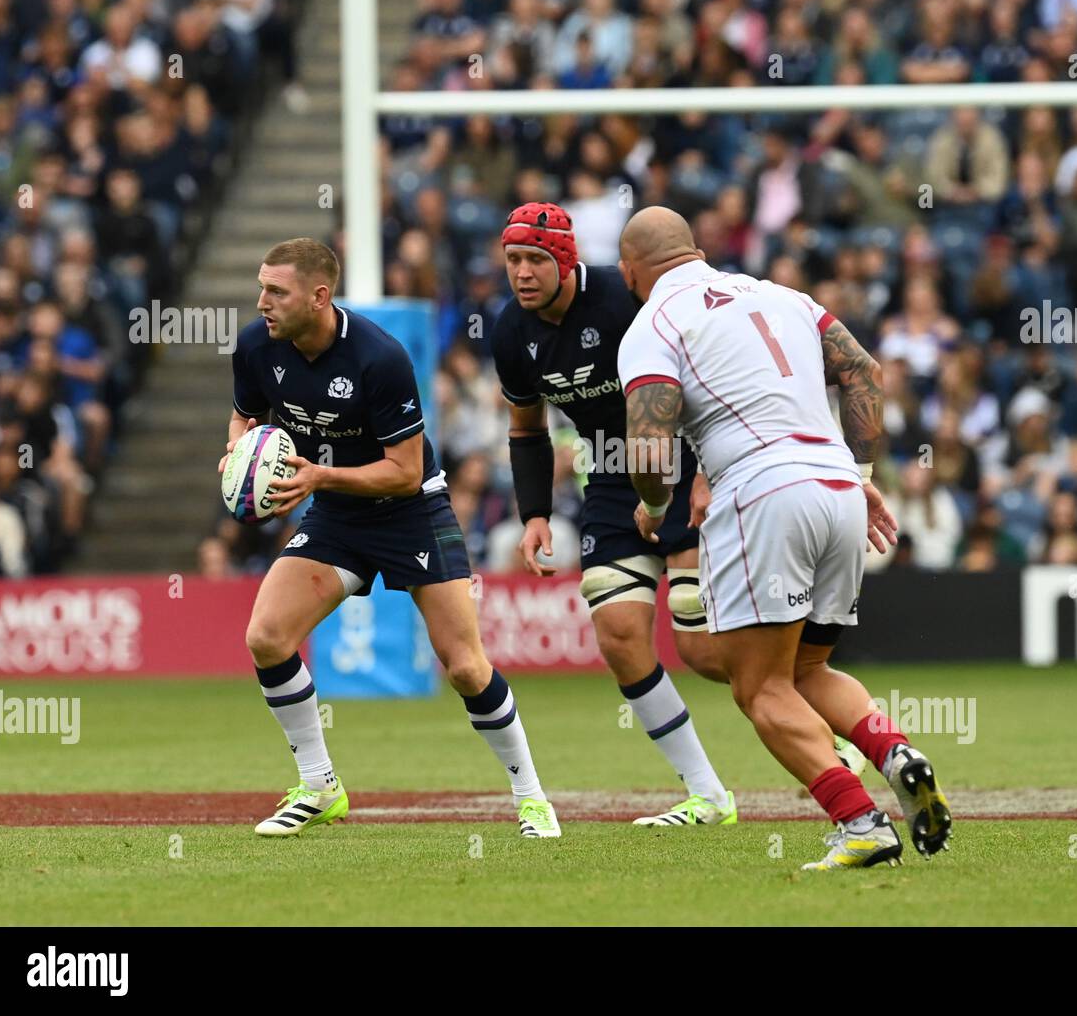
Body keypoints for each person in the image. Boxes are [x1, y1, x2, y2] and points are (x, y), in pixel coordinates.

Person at [616, 207, 953, 870]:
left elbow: (650, 451)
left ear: (631, 269)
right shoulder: (782, 295)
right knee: (807, 669)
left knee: (758, 686)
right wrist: (859, 475)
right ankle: (895, 752)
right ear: (695, 249)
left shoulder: (652, 322)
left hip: (764, 493)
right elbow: (865, 372)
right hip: (836, 489)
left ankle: (860, 821)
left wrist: (652, 507)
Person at [222, 237, 560, 838]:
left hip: (411, 512)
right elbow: (246, 413)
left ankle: (532, 798)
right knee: (267, 637)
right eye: (261, 287)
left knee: (463, 667)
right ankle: (319, 785)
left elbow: (405, 471)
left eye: (276, 291)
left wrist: (320, 475)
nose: (263, 302)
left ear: (319, 297)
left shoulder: (379, 357)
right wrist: (239, 452)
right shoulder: (256, 345)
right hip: (336, 514)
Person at [490, 202, 737, 827]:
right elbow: (527, 428)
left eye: (535, 260)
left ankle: (827, 708)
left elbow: (709, 379)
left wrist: (709, 470)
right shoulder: (508, 332)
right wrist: (536, 513)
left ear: (567, 260)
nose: (522, 273)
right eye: (513, 260)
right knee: (620, 634)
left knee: (703, 647)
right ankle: (708, 795)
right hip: (609, 478)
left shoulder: (627, 299)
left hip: (684, 464)